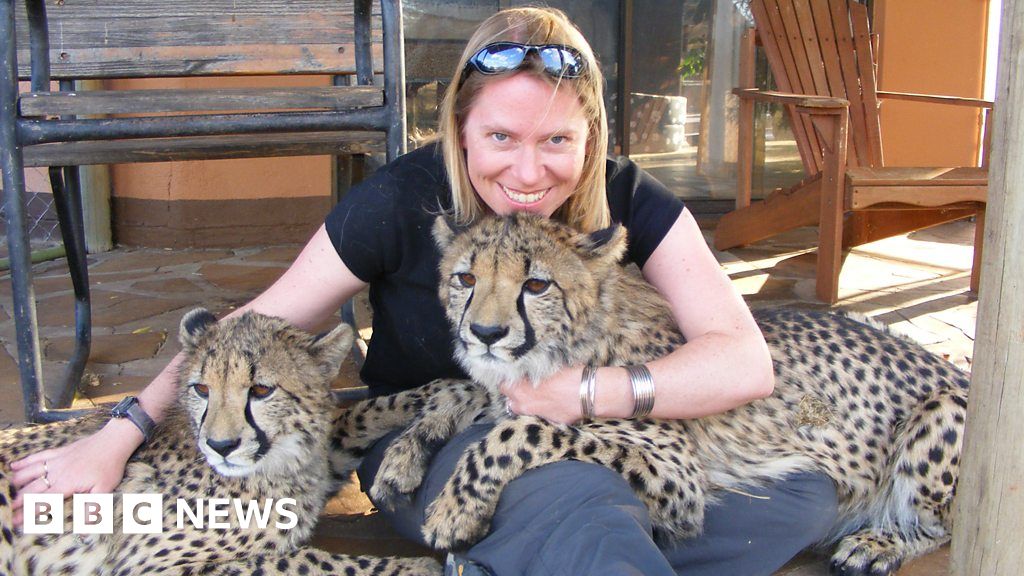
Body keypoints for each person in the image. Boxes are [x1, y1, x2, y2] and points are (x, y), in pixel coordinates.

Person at [11, 7, 838, 575]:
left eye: (557, 140)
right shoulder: (401, 200)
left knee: (799, 492)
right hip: (435, 439)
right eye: (501, 136)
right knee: (581, 502)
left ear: (592, 139)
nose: (528, 172)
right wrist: (118, 434)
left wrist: (586, 395)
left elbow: (743, 361)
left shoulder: (630, 198)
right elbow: (246, 330)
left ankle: (524, 555)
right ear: (460, 131)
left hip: (595, 425)